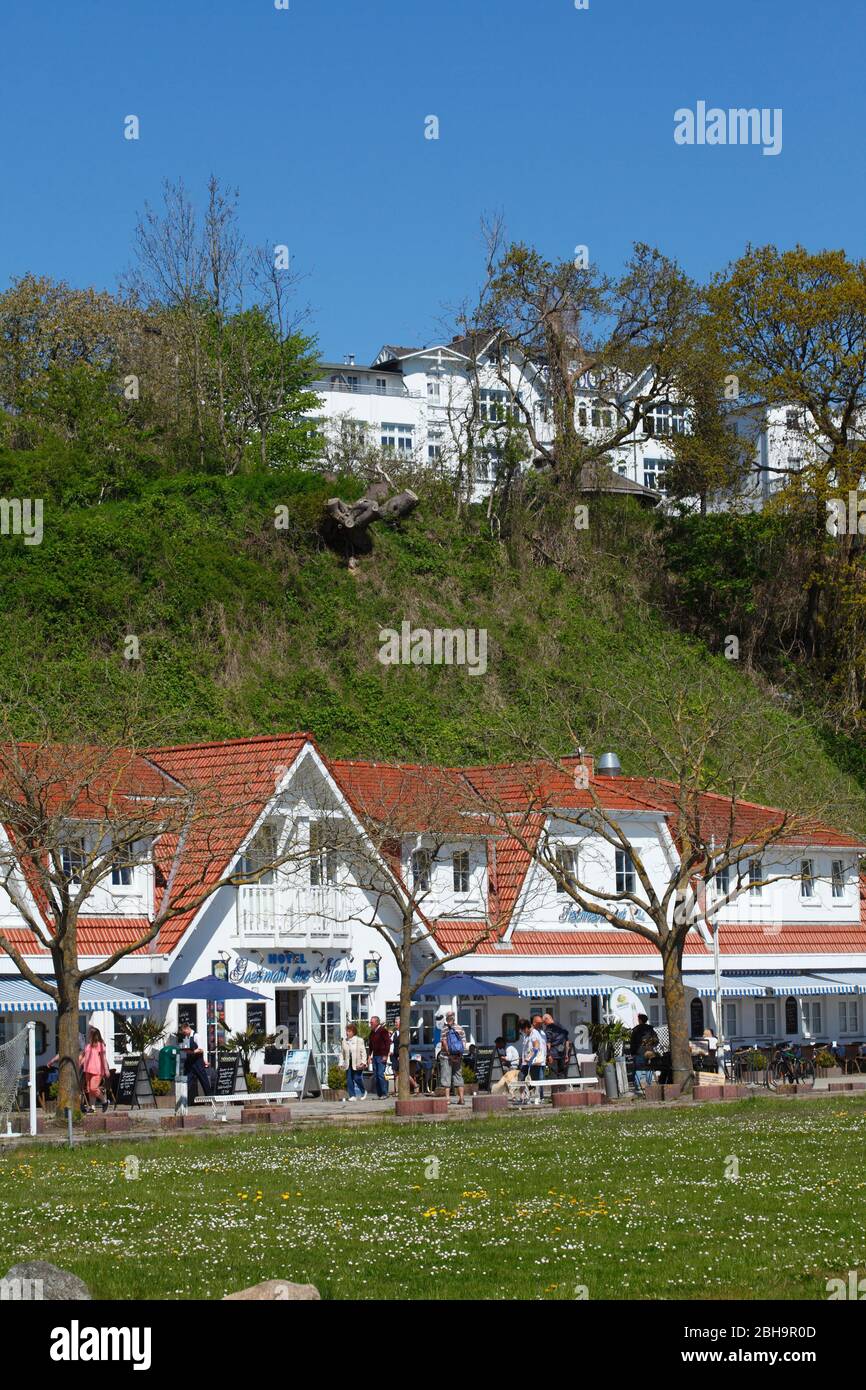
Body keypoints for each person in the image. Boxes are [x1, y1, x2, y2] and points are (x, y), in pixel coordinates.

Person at [437, 1011, 467, 1105]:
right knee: (458, 1076)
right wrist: (458, 1055)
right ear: (454, 1018)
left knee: (446, 1077)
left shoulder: (444, 1029)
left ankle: (447, 1099)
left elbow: (444, 1043)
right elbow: (464, 1043)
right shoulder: (460, 1028)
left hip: (446, 1057)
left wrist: (449, 1054)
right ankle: (461, 1099)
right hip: (458, 1057)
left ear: (446, 1018)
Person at [79, 1027, 110, 1113]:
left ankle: (104, 1101)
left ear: (93, 1035)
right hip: (87, 1070)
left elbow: (103, 1058)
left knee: (93, 1088)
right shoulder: (88, 1046)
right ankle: (92, 1107)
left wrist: (106, 1070)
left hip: (97, 1070)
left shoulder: (100, 1045)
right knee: (89, 1089)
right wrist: (79, 1063)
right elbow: (85, 1057)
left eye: (90, 1034)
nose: (88, 1035)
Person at [179, 1021, 212, 1099]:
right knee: (187, 1082)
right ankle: (183, 1101)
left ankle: (210, 1098)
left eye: (184, 1032)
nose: (184, 1034)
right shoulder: (186, 1038)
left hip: (198, 1062)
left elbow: (201, 1050)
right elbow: (187, 1048)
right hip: (190, 1063)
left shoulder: (196, 1036)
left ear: (187, 1028)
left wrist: (203, 1060)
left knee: (204, 1081)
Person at [520, 1016, 547, 1103]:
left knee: (537, 1081)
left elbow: (536, 1046)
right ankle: (525, 1097)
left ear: (527, 1027)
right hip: (526, 1063)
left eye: (523, 1029)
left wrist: (529, 1057)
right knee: (523, 1079)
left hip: (534, 1062)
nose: (522, 1032)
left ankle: (540, 1098)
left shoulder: (534, 1034)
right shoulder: (527, 1035)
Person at [390, 1017, 419, 1094]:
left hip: (403, 1055)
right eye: (395, 1022)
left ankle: (415, 1085)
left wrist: (402, 1055)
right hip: (395, 1056)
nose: (396, 1023)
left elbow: (406, 1045)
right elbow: (392, 1043)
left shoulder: (405, 1032)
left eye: (397, 1022)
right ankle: (397, 1091)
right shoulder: (394, 1033)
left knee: (404, 1073)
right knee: (396, 1073)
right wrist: (390, 1052)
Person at [340, 1022, 368, 1101]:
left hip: (357, 1063)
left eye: (349, 1031)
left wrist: (363, 1062)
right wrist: (341, 1063)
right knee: (349, 1079)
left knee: (357, 1078)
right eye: (346, 1031)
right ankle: (352, 1095)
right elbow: (342, 1053)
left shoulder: (359, 1040)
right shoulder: (344, 1041)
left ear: (353, 1032)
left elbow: (363, 1052)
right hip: (348, 1063)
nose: (347, 1033)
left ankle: (363, 1091)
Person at [367, 1016, 392, 1098]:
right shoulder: (372, 1032)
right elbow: (370, 1045)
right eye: (370, 1022)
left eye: (372, 1022)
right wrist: (369, 1055)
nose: (370, 1024)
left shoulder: (383, 1031)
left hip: (382, 1056)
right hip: (375, 1056)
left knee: (380, 1074)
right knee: (376, 1075)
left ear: (377, 1022)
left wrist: (385, 1055)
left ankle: (385, 1093)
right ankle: (379, 1094)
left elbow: (387, 1043)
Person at [542, 1013, 570, 1078]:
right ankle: (562, 1088)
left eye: (544, 1022)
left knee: (551, 1074)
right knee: (561, 1074)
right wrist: (566, 1054)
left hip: (552, 1056)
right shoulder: (562, 1027)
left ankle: (551, 1087)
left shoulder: (548, 1030)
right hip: (562, 1054)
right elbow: (567, 1041)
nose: (544, 1024)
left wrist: (548, 1055)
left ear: (547, 1019)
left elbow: (548, 1044)